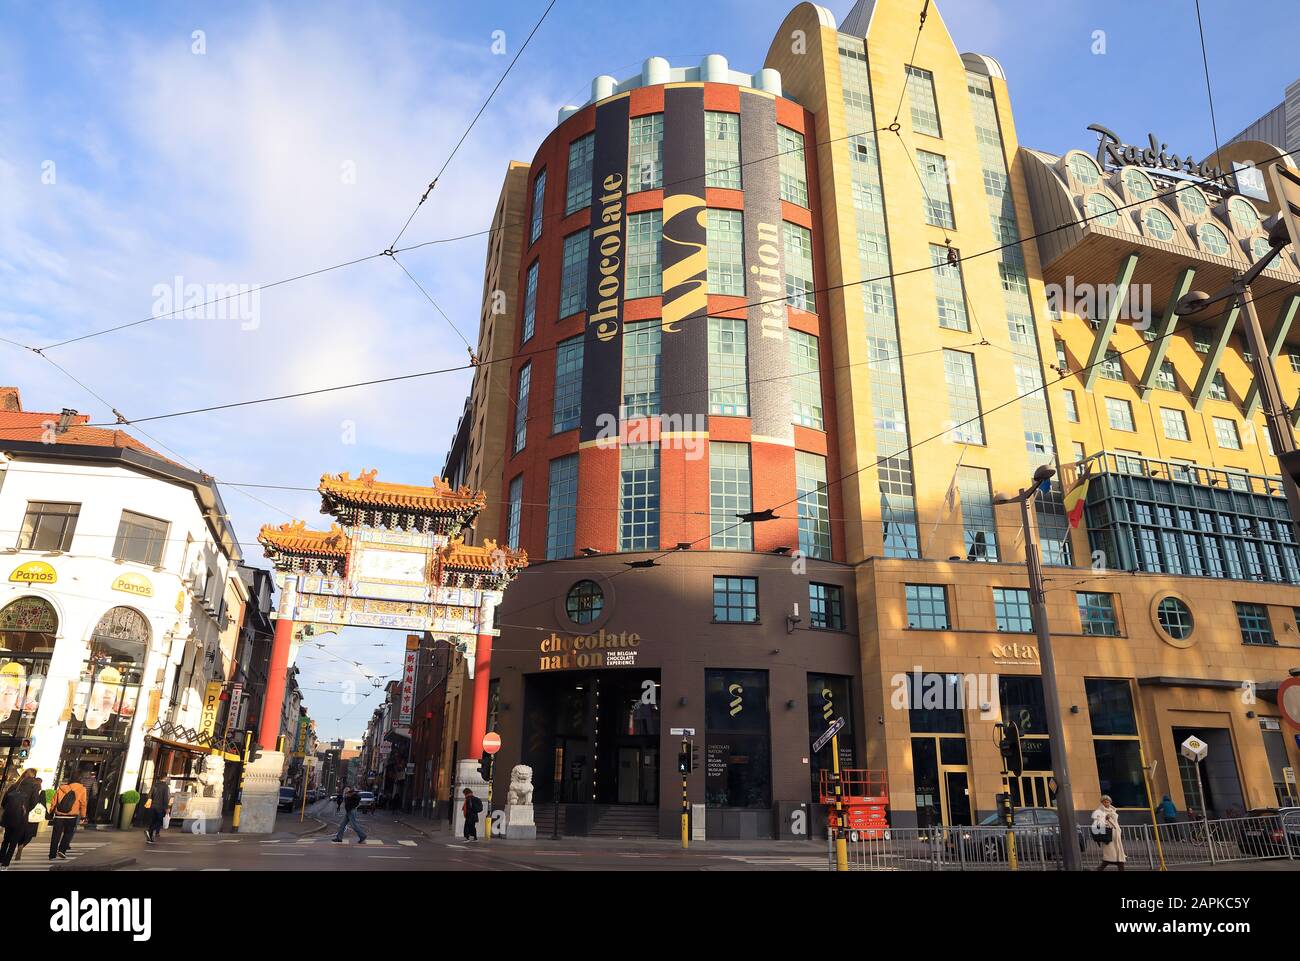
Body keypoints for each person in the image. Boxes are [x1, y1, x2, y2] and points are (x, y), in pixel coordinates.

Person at [0, 768, 40, 869]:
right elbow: (34, 803)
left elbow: (3, 802)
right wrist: (25, 810)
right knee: (13, 841)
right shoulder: (34, 787)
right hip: (21, 818)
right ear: (34, 776)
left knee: (6, 840)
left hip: (9, 816)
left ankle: (0, 859)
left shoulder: (14, 785)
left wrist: (10, 809)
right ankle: (5, 864)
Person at [49, 772, 87, 861]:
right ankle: (62, 850)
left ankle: (52, 854)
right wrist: (83, 816)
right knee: (68, 833)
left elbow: (54, 801)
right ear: (79, 779)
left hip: (59, 815)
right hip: (72, 816)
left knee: (55, 835)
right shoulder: (82, 789)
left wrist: (51, 812)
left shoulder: (61, 788)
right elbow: (83, 803)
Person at [1091, 794, 1126, 871]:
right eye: (1105, 802)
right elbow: (1097, 823)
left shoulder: (1113, 810)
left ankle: (1100, 868)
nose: (1107, 803)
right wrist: (1104, 819)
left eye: (1108, 802)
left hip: (1116, 834)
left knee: (1117, 855)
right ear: (1102, 802)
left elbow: (1116, 821)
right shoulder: (1099, 811)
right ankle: (1101, 868)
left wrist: (1118, 830)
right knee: (1110, 854)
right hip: (1108, 835)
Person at [144, 778, 171, 843]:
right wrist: (167, 808)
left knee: (153, 821)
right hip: (160, 807)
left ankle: (149, 839)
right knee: (160, 821)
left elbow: (149, 795)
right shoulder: (165, 786)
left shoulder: (154, 785)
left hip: (153, 806)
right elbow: (166, 798)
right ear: (165, 778)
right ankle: (149, 830)